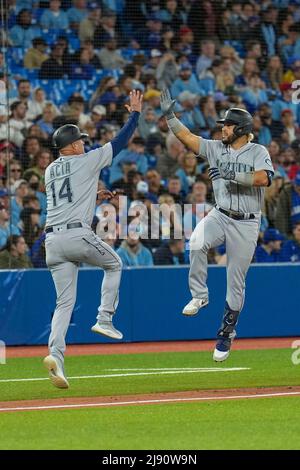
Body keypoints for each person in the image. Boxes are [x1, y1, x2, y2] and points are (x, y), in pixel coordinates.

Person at [160, 89, 274, 362]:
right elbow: (187, 138)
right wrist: (171, 118)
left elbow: (264, 179)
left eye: (228, 125)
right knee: (196, 242)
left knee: (236, 281)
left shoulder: (258, 150)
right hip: (220, 214)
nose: (223, 129)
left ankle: (226, 333)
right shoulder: (215, 148)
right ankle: (199, 295)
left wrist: (232, 174)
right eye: (223, 125)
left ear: (243, 128)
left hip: (247, 223)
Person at [43, 90, 143, 389]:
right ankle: (104, 318)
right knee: (114, 264)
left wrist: (93, 195)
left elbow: (69, 194)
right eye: (81, 141)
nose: (84, 144)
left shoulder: (50, 170)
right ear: (72, 145)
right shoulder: (85, 161)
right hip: (76, 234)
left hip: (52, 240)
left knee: (64, 304)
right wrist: (135, 114)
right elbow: (120, 142)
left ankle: (56, 358)